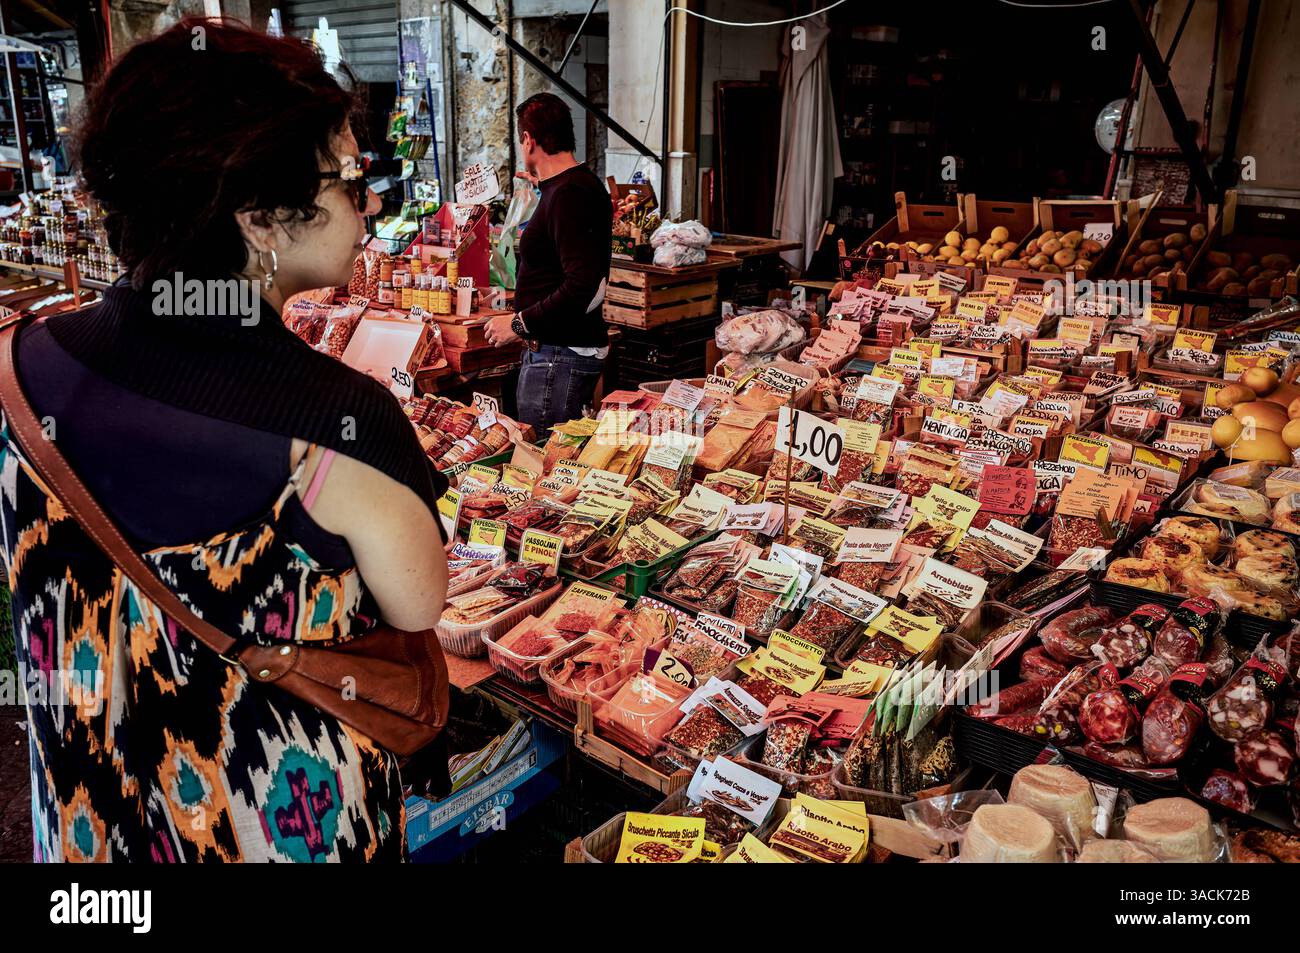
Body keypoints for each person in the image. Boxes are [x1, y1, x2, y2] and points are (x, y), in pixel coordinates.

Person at [0, 20, 448, 862]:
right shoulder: (336, 423)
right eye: (350, 175)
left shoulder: (17, 370)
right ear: (261, 219)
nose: (373, 200)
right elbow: (420, 604)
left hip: (87, 826)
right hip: (273, 831)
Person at [483, 92, 612, 433]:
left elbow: (582, 285)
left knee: (542, 468)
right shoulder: (568, 188)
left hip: (559, 357)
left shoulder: (571, 194)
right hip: (556, 355)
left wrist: (518, 324)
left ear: (528, 140)